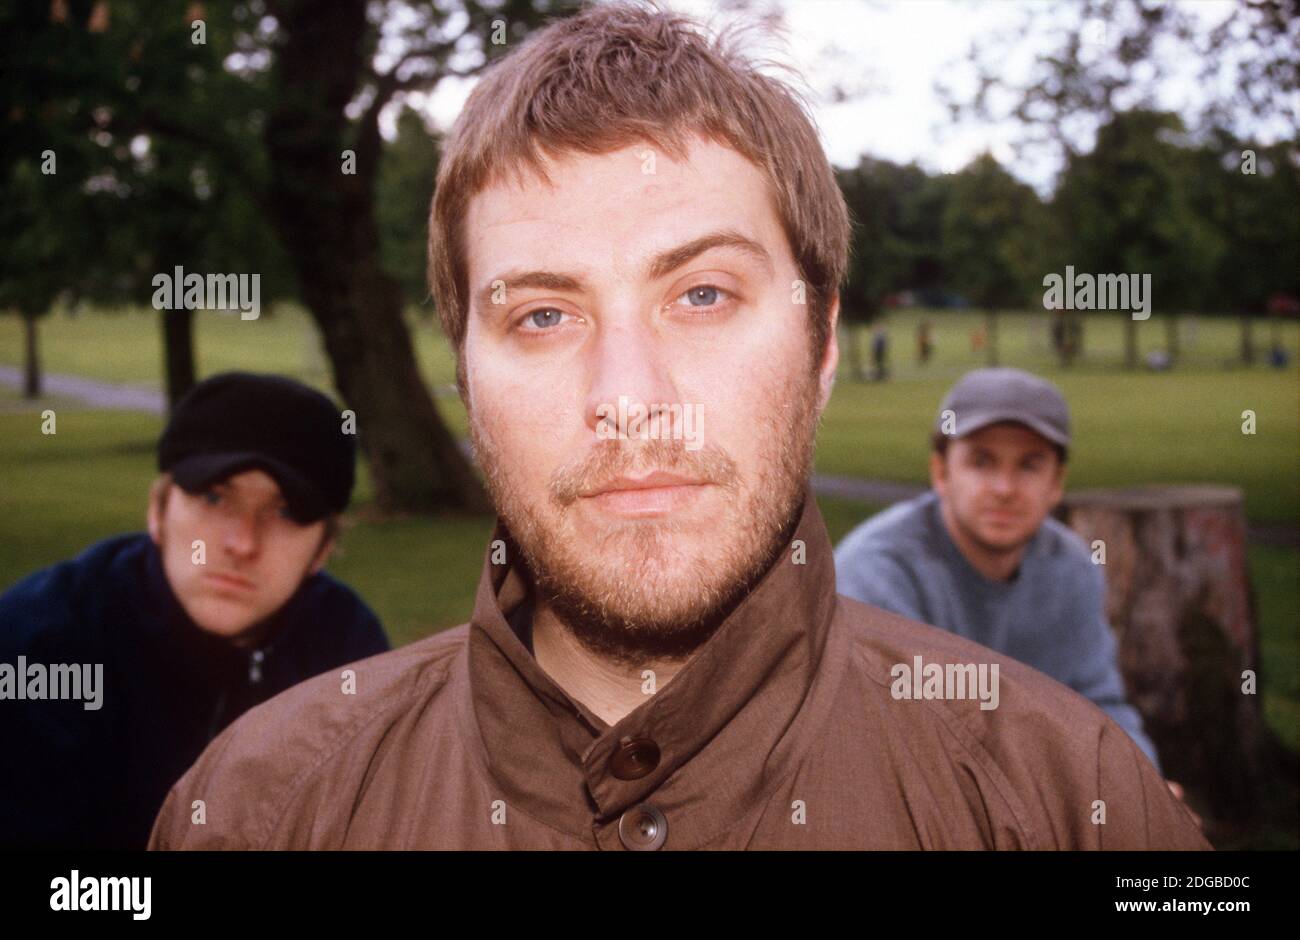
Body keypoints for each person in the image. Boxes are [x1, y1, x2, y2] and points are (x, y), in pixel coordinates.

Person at [149, 2, 1207, 851]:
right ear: (466, 376)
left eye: (701, 295)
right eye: (544, 315)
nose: (631, 395)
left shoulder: (1068, 801)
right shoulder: (259, 812)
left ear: (822, 342)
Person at [0, 371, 390, 848]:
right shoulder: (42, 646)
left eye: (286, 510)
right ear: (157, 511)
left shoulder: (348, 652)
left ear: (323, 548)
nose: (242, 542)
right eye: (214, 496)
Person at [834, 368, 1166, 776]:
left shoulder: (1072, 567)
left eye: (1029, 465)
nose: (1004, 488)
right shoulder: (879, 571)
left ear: (1056, 483)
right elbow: (904, 748)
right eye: (981, 461)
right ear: (941, 473)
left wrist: (1144, 792)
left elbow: (1102, 708)